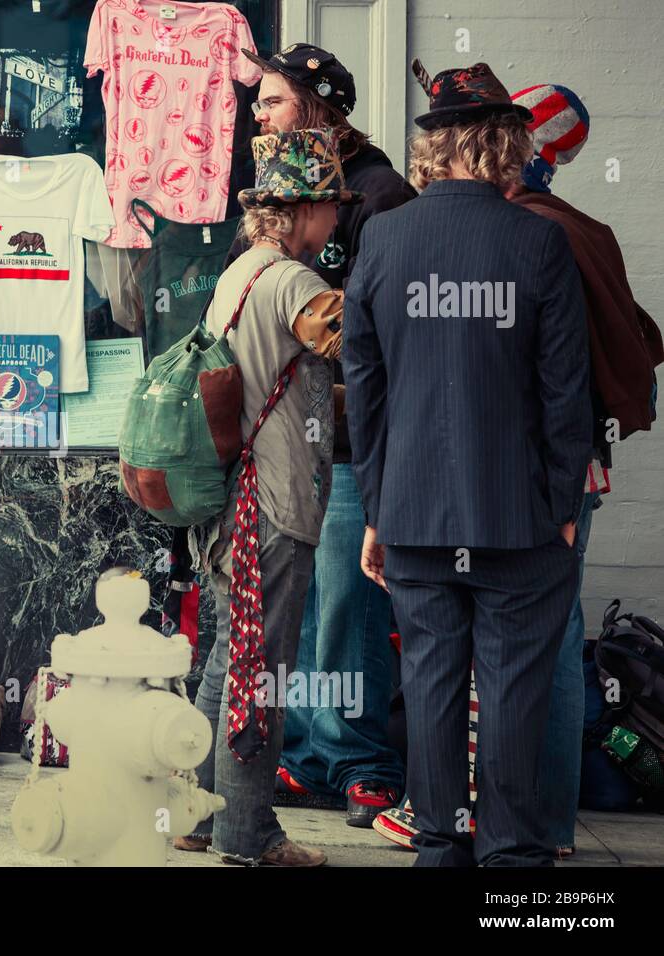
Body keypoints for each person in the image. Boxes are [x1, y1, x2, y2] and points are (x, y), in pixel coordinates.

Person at [343, 61, 591, 866]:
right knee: (517, 687)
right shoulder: (539, 240)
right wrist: (560, 502)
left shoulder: (382, 236)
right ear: (506, 146)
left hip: (413, 510)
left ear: (433, 148)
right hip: (518, 514)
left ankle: (440, 842)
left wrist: (377, 506)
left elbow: (364, 388)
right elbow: (565, 391)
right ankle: (512, 857)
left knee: (433, 684)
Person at [239, 42, 415, 827]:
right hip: (292, 441)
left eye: (272, 101)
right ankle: (308, 752)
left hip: (350, 442)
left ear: (319, 106)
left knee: (346, 600)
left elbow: (388, 333)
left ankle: (359, 759)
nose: (258, 114)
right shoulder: (289, 189)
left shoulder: (379, 193)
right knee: (306, 605)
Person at [184, 127, 357, 866]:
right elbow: (362, 344)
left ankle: (195, 810)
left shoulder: (242, 272)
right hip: (273, 503)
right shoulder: (295, 282)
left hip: (234, 504)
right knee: (263, 671)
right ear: (302, 209)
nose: (338, 221)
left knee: (231, 659)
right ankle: (249, 833)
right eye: (331, 206)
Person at [504, 83, 663, 858]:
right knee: (553, 630)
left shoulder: (540, 232)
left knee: (543, 633)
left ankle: (537, 822)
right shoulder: (582, 228)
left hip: (542, 464)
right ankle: (548, 823)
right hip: (574, 461)